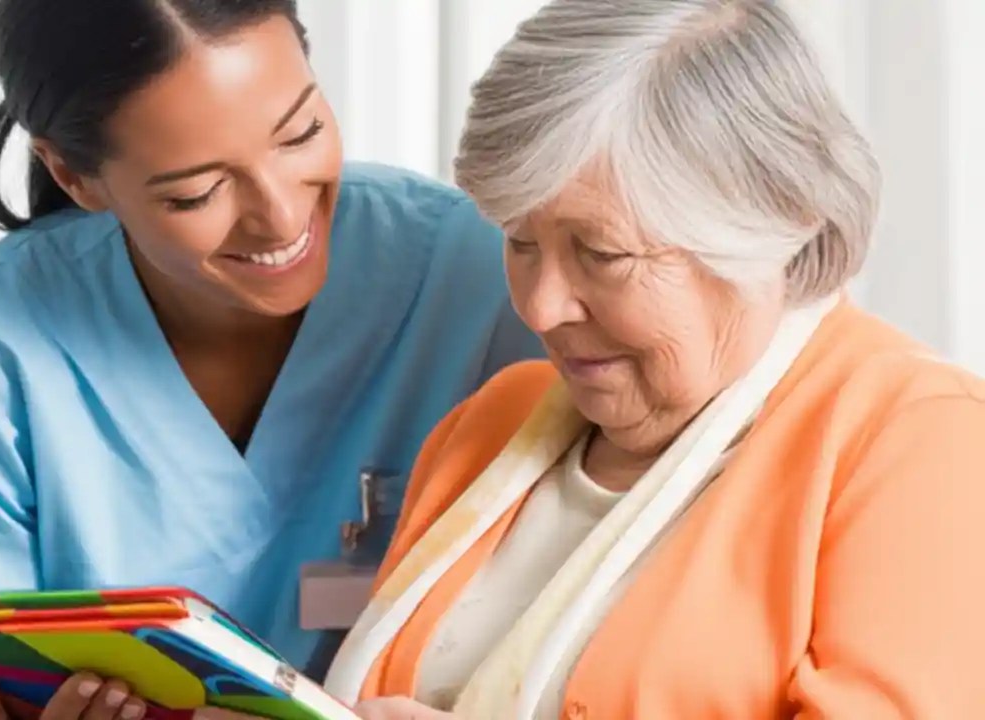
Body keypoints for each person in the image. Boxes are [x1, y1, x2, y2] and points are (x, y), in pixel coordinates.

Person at [0, 1, 543, 718]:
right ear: (75, 176)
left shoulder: (480, 271)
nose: (282, 216)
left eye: (301, 133)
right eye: (197, 192)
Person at [313, 0, 985, 718]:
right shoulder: (492, 422)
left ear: (772, 223)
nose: (540, 307)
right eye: (521, 241)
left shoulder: (921, 440)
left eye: (602, 254)